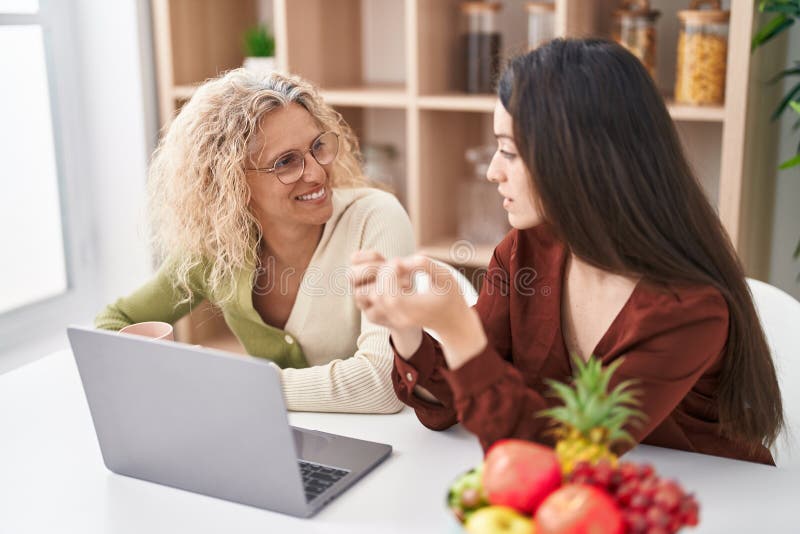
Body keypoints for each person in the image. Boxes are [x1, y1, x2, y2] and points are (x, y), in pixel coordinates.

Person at [350, 39, 784, 464]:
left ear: (582, 163)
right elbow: (456, 405)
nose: (491, 171)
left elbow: (568, 455)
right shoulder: (525, 254)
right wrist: (405, 326)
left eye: (509, 151)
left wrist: (457, 326)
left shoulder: (689, 310)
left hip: (698, 505)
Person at [96, 69, 414, 414]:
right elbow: (115, 322)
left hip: (385, 447)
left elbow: (383, 384)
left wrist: (236, 384)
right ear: (231, 181)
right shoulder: (218, 248)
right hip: (279, 439)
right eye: (286, 162)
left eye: (317, 147)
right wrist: (164, 376)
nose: (318, 172)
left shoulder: (374, 218)